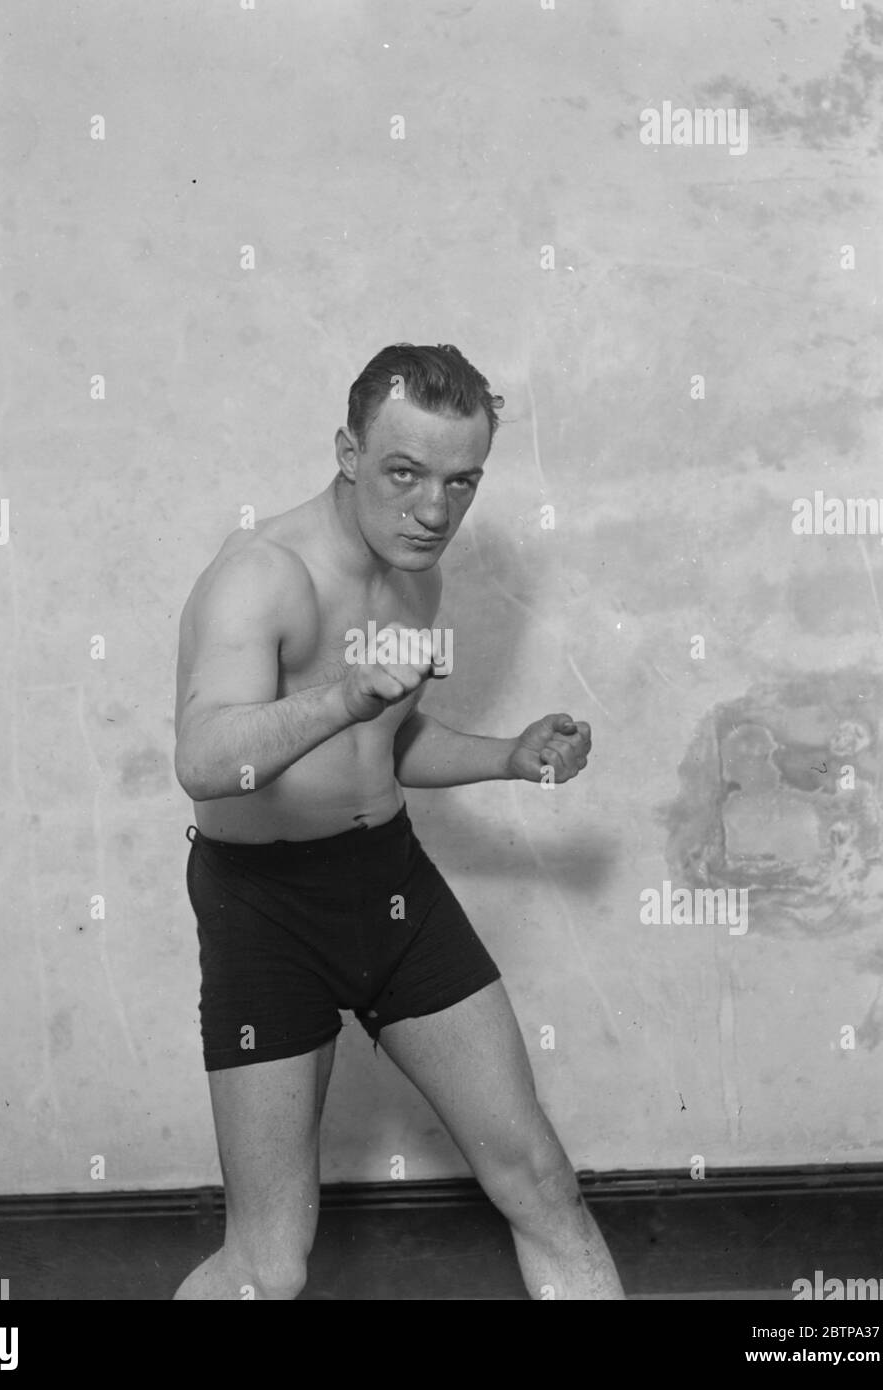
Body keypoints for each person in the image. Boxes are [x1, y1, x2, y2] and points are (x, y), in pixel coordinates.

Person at [172, 343, 624, 1300]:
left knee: (539, 1182)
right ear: (346, 452)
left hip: (389, 884)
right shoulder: (260, 576)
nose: (433, 511)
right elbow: (207, 765)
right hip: (266, 912)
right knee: (267, 1259)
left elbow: (385, 743)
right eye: (405, 474)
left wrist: (506, 754)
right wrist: (343, 696)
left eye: (461, 483)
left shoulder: (414, 567)